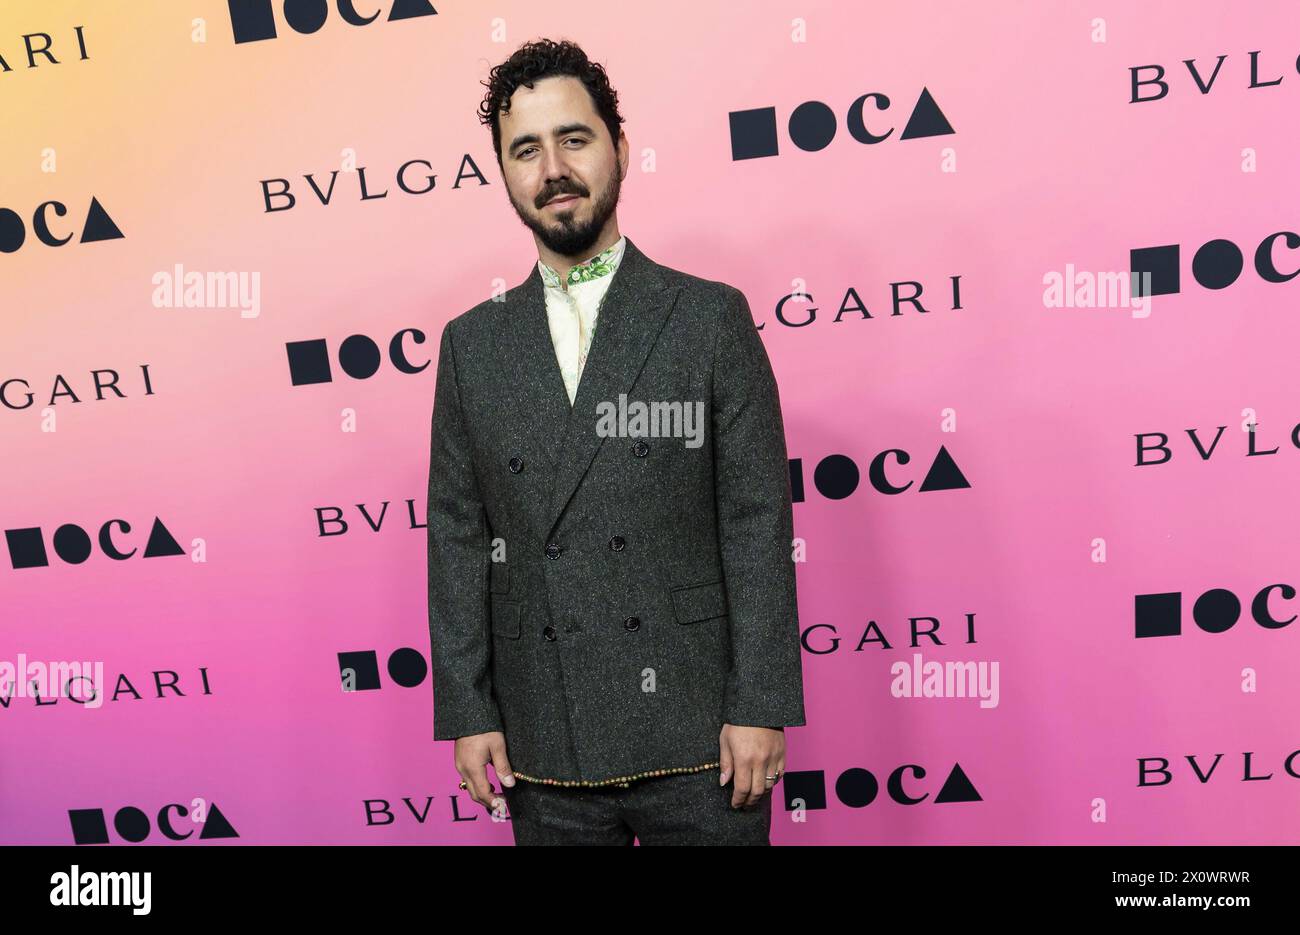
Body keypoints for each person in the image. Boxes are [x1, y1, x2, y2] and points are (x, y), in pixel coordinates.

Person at [427, 37, 805, 845]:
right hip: (543, 742)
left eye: (574, 138)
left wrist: (760, 704)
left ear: (620, 149)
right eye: (525, 150)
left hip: (704, 737)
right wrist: (468, 707)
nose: (552, 169)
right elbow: (458, 538)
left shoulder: (707, 318)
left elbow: (756, 521)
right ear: (503, 175)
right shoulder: (471, 346)